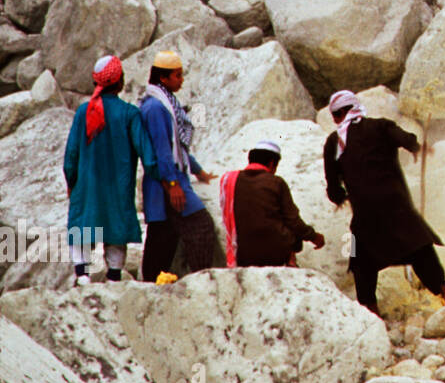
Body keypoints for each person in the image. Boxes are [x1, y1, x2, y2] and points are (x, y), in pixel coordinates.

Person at [323, 90, 445, 315]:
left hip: (365, 214)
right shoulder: (380, 126)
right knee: (420, 247)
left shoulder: (334, 142)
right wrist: (419, 149)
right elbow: (406, 139)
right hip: (397, 206)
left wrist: (342, 198)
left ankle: (370, 309)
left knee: (361, 262)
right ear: (356, 108)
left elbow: (332, 186)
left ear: (338, 116)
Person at [62, 55, 160, 285]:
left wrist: (71, 182)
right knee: (115, 227)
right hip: (118, 186)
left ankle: (82, 275)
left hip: (86, 185)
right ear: (119, 81)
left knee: (83, 224)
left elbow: (71, 155)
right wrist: (161, 179)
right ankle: (114, 275)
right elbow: (147, 153)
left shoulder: (83, 112)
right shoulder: (129, 113)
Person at [139, 50, 218, 282]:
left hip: (171, 180)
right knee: (200, 226)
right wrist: (173, 184)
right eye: (177, 75)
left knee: (163, 237)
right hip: (166, 184)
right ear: (163, 78)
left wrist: (198, 171)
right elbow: (162, 149)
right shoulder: (155, 108)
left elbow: (178, 146)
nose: (181, 80)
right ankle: (200, 279)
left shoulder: (166, 103)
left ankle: (156, 282)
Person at [219, 140, 326, 267]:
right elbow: (293, 220)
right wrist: (314, 237)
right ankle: (290, 261)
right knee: (294, 234)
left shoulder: (230, 180)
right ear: (271, 163)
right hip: (274, 252)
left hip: (242, 252)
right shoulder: (276, 182)